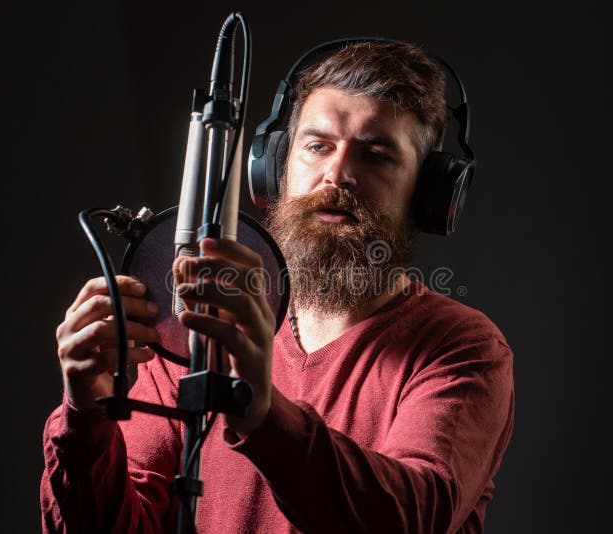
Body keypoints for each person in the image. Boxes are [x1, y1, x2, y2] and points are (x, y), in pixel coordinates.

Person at [41, 40, 514, 533]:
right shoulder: (193, 333)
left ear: (427, 195)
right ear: (275, 169)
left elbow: (410, 518)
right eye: (318, 146)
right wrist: (85, 416)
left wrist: (262, 414)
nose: (337, 175)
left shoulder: (464, 349)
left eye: (375, 155)